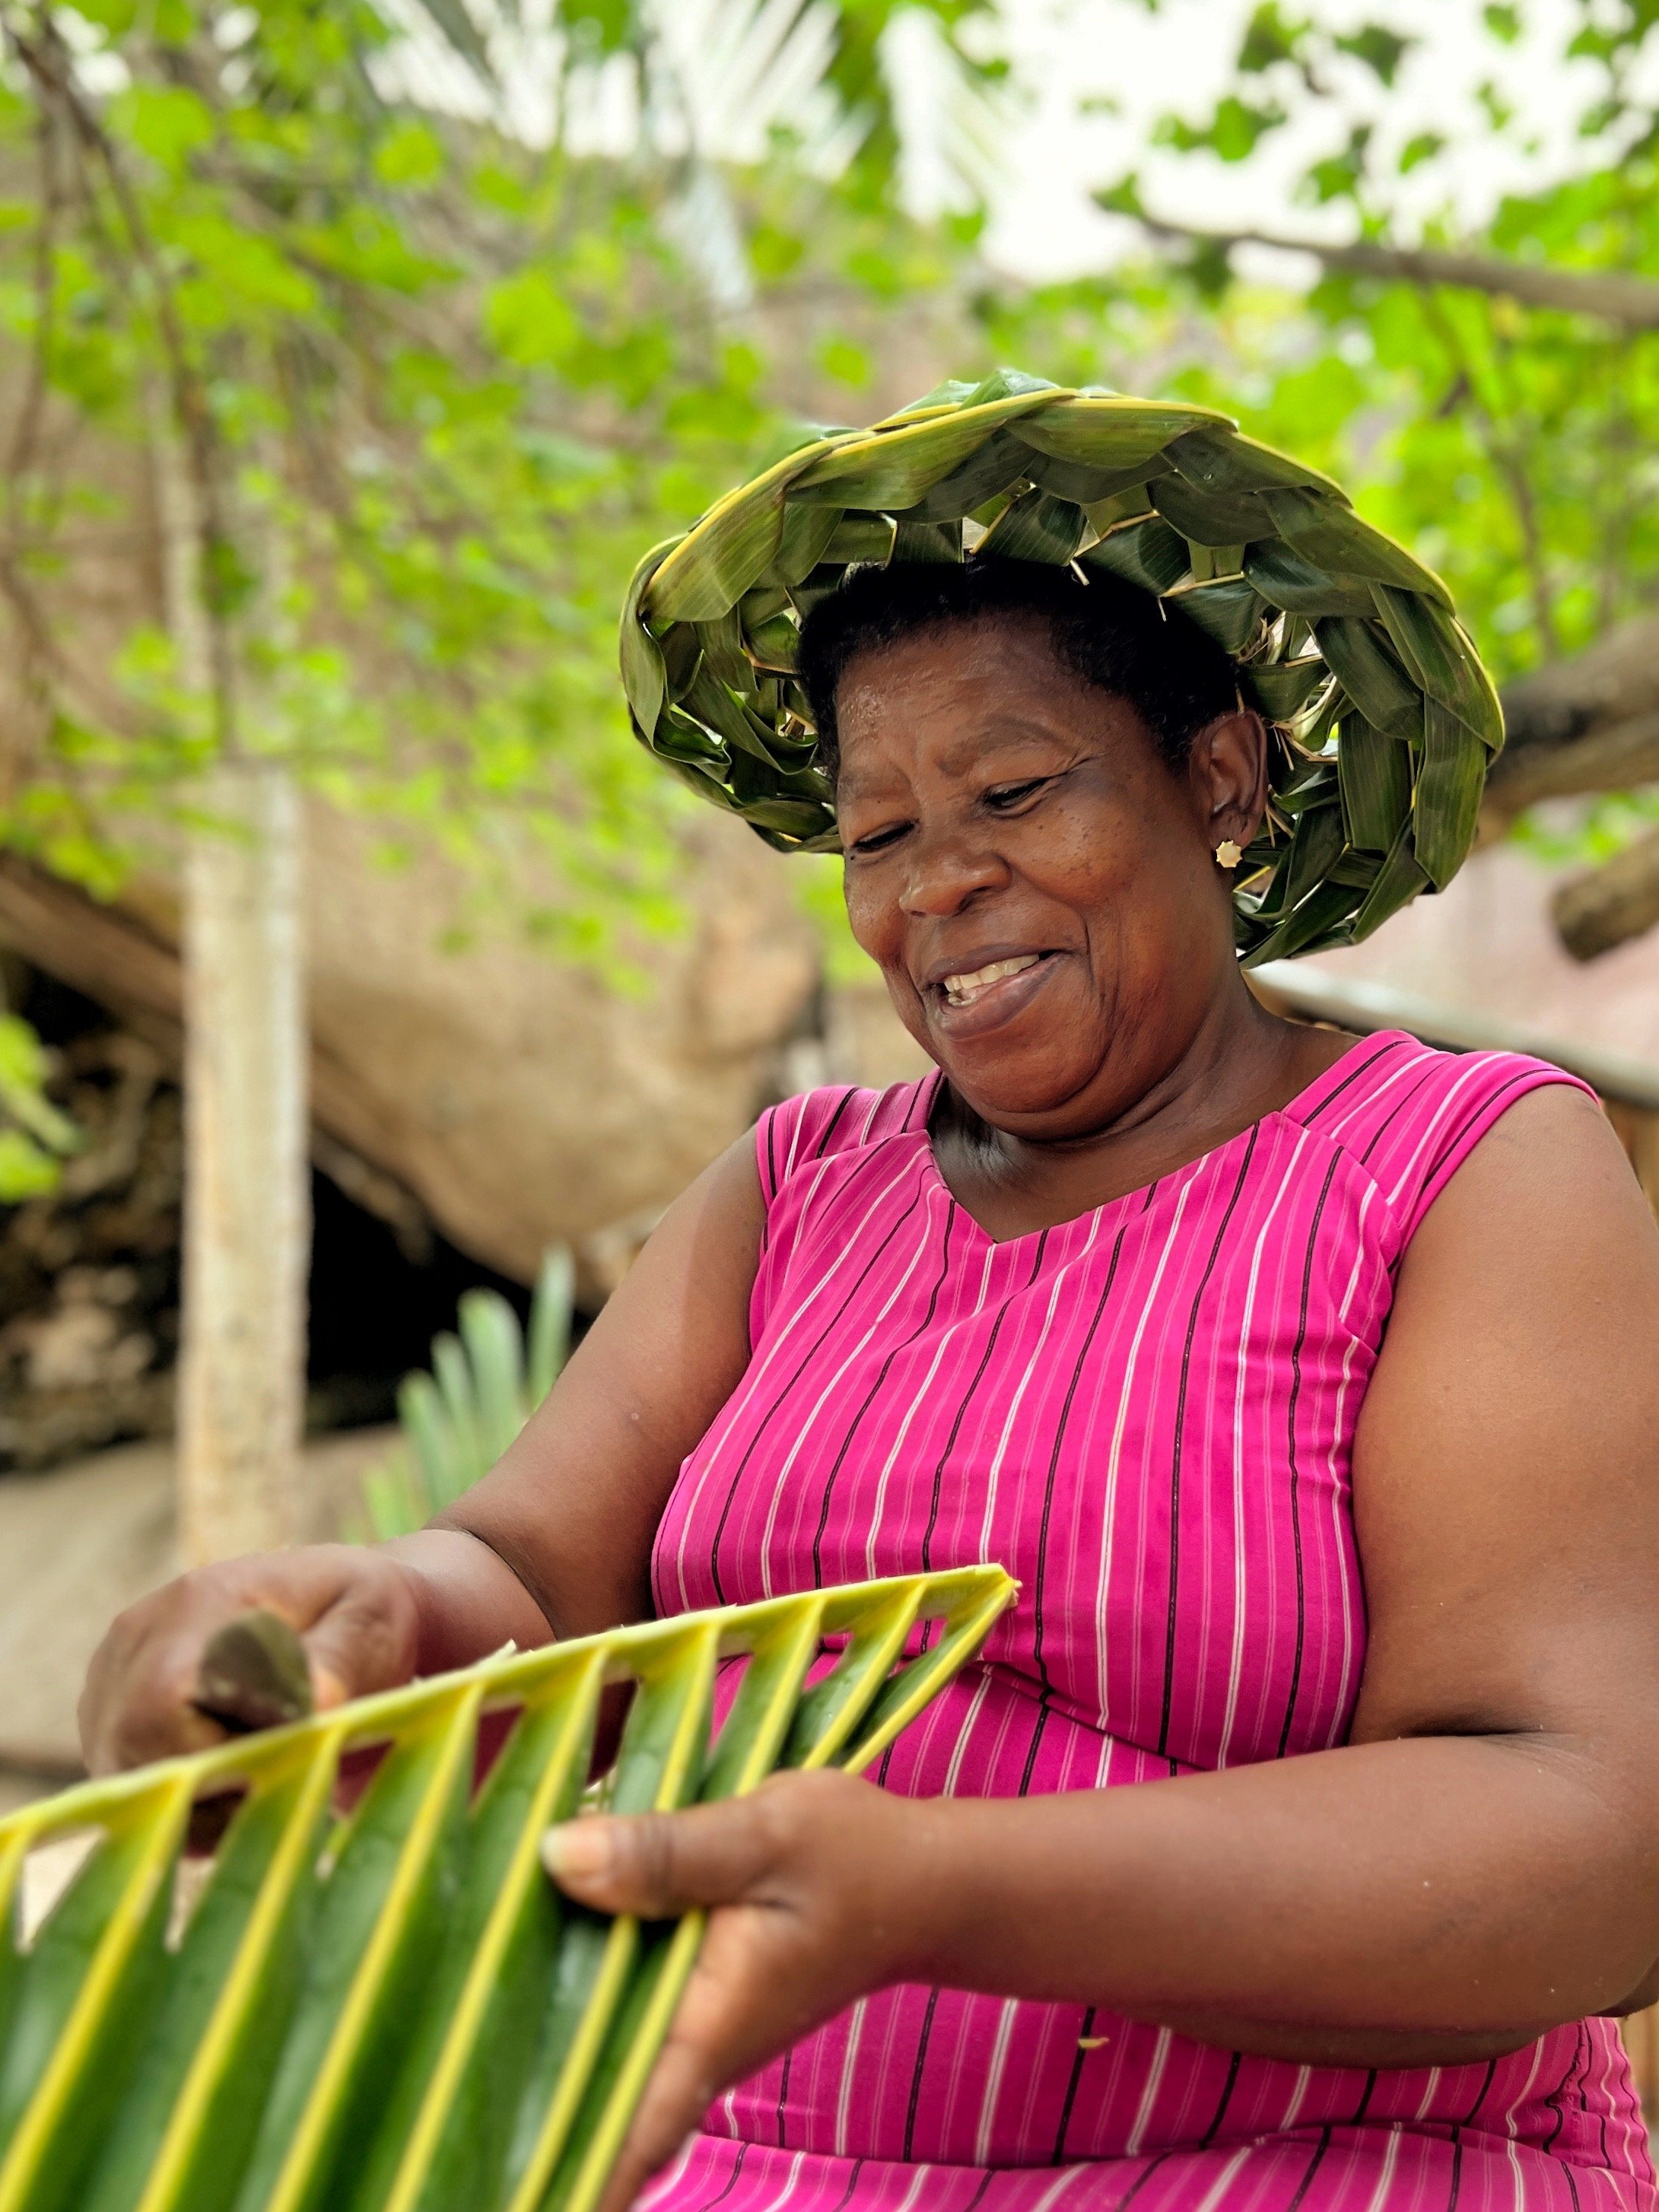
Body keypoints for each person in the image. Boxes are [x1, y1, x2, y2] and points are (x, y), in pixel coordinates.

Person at [81, 390, 1659, 2212]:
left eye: (1012, 793)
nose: (936, 884)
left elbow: (1589, 1843)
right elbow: (520, 1578)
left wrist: (936, 1886)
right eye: (876, 830)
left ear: (1219, 779)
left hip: (1322, 2172)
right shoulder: (792, 1189)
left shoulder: (1458, 1164)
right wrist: (348, 1623)